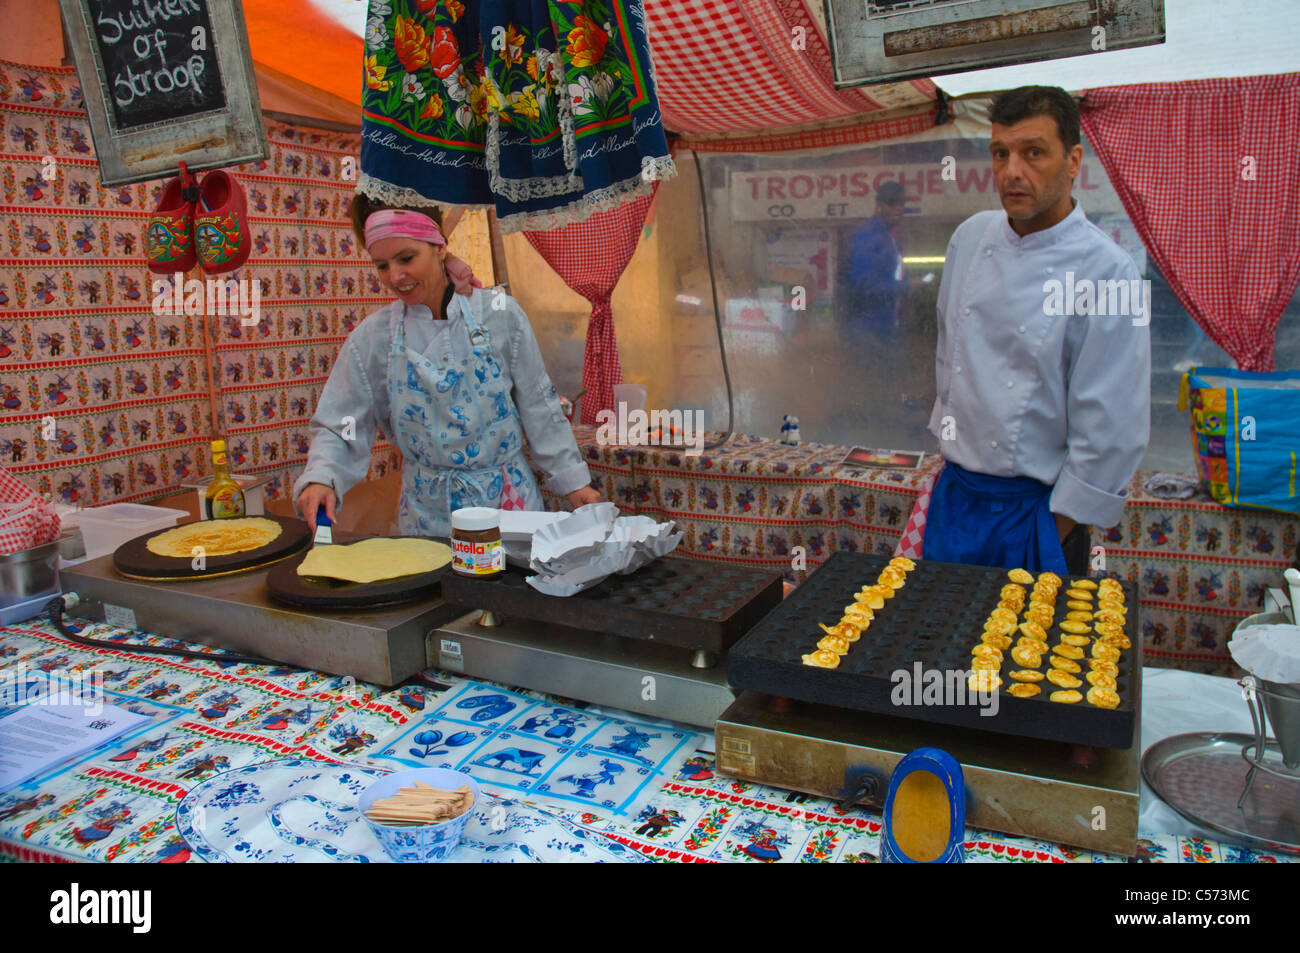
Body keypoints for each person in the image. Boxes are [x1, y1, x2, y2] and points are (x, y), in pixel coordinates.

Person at [923, 86, 1151, 575]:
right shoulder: (970, 237)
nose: (1012, 172)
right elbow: (949, 361)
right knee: (941, 649)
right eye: (1000, 154)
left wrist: (1053, 527)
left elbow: (1112, 426)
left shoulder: (1108, 270)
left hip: (1037, 513)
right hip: (956, 500)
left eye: (1033, 152)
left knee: (1028, 653)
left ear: (1072, 161)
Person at [294, 197, 600, 537]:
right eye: (381, 265)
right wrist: (323, 475)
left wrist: (574, 482)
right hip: (427, 516)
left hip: (507, 508)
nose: (396, 276)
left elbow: (539, 405)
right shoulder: (374, 338)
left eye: (407, 258)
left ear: (439, 246)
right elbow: (344, 421)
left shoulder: (499, 314)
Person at [846, 179, 907, 334]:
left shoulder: (889, 235)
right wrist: (908, 286)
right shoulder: (869, 235)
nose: (898, 208)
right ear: (878, 205)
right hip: (869, 329)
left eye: (901, 203)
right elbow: (865, 286)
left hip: (888, 325)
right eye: (891, 203)